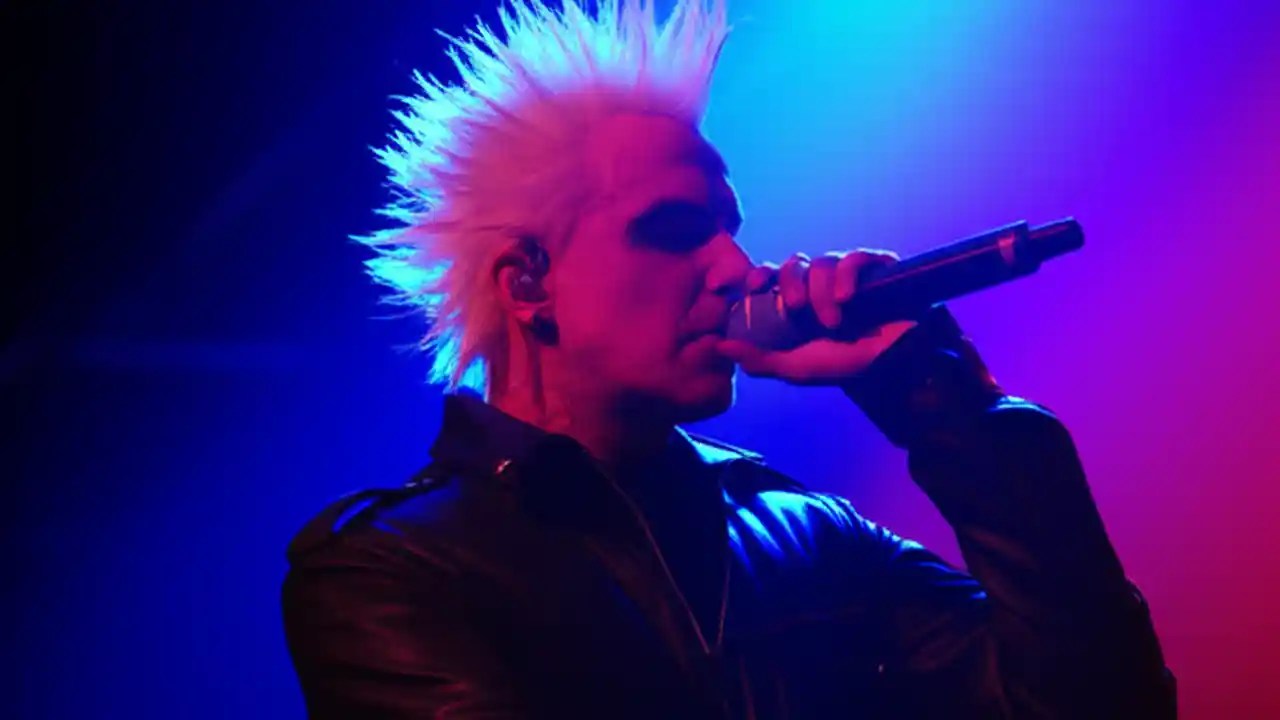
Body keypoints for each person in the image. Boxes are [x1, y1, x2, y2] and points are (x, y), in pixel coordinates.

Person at [281, 1, 1175, 717]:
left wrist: (945, 403)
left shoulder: (808, 534)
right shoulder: (394, 574)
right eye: (675, 231)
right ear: (527, 285)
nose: (739, 269)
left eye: (731, 230)